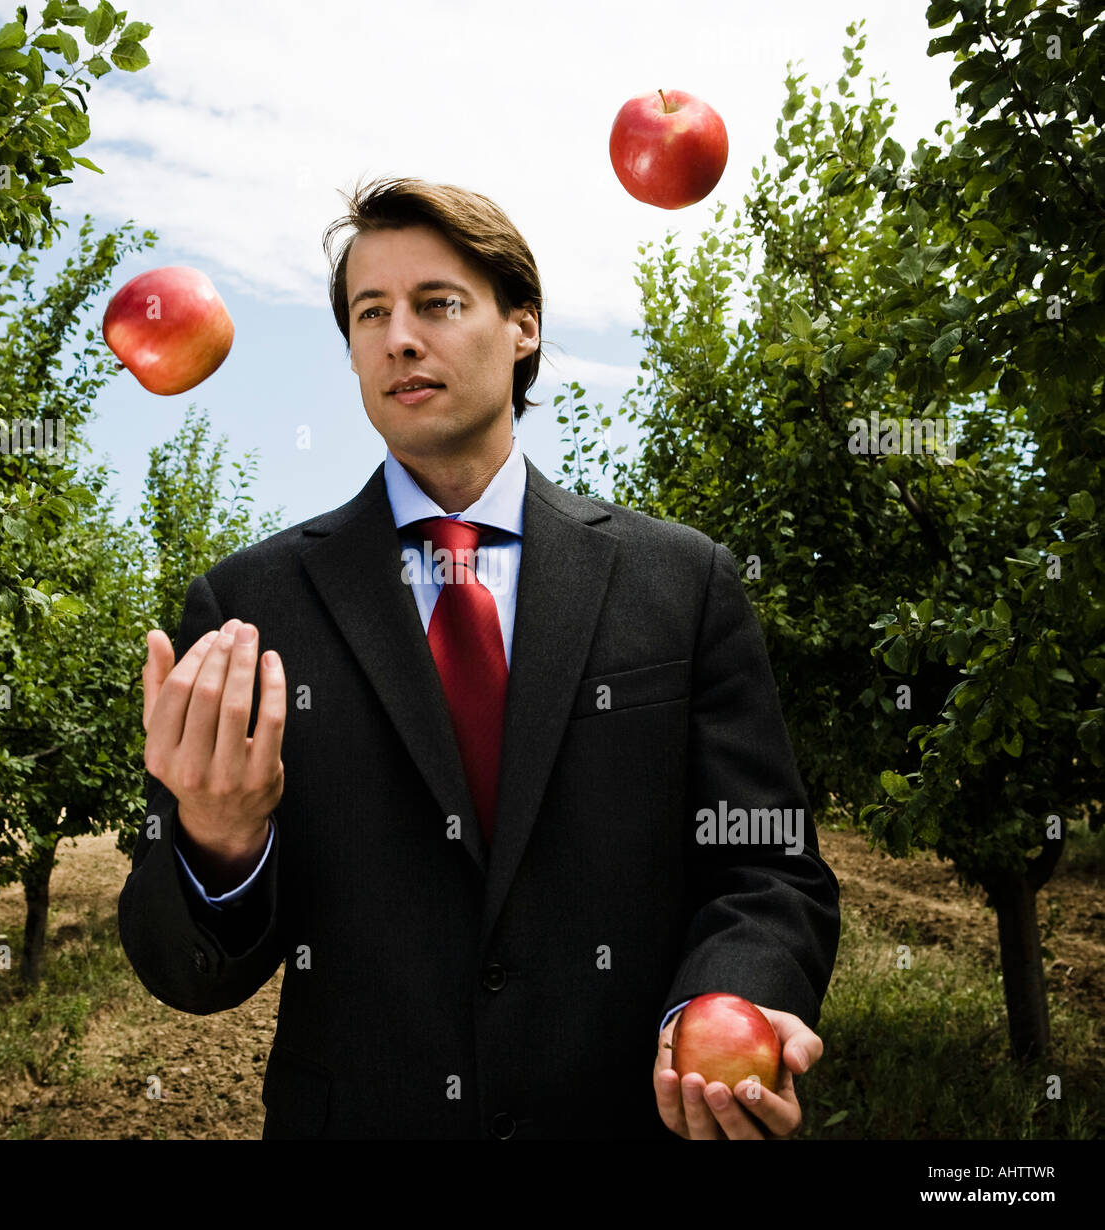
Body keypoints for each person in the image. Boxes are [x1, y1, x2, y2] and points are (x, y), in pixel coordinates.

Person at [118, 176, 840, 1139]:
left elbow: (768, 869)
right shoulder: (251, 607)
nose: (398, 338)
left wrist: (717, 1009)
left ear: (523, 328)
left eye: (439, 304)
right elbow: (188, 975)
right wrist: (217, 838)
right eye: (370, 314)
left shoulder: (682, 582)